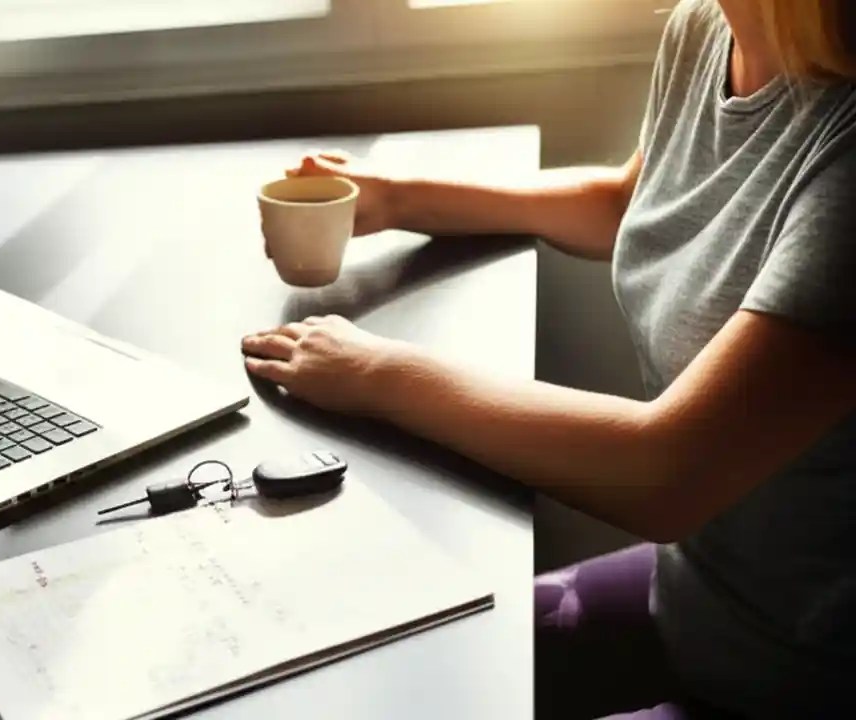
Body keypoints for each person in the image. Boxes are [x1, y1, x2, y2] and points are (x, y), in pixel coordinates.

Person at [240, 0, 856, 717]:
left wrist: (378, 375)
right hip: (705, 594)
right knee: (399, 663)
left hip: (804, 675)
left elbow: (668, 473)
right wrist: (399, 199)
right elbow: (632, 199)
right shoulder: (709, 28)